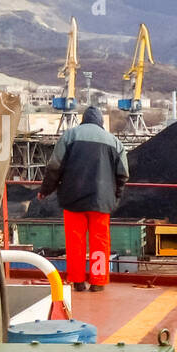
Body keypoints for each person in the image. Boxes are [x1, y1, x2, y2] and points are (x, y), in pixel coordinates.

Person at [38, 106, 129, 291]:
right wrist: (115, 197)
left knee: (75, 242)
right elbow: (123, 175)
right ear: (100, 122)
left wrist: (45, 190)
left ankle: (77, 281)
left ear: (83, 119)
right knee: (100, 242)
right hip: (102, 202)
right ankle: (98, 282)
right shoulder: (114, 142)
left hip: (73, 199)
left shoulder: (69, 136)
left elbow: (55, 167)